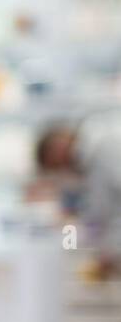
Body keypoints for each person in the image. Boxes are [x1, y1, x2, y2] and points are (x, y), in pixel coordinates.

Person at [36, 112, 121, 279]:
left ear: (58, 146)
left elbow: (107, 213)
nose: (61, 169)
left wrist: (112, 251)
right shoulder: (91, 162)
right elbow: (101, 212)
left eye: (56, 165)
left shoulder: (106, 150)